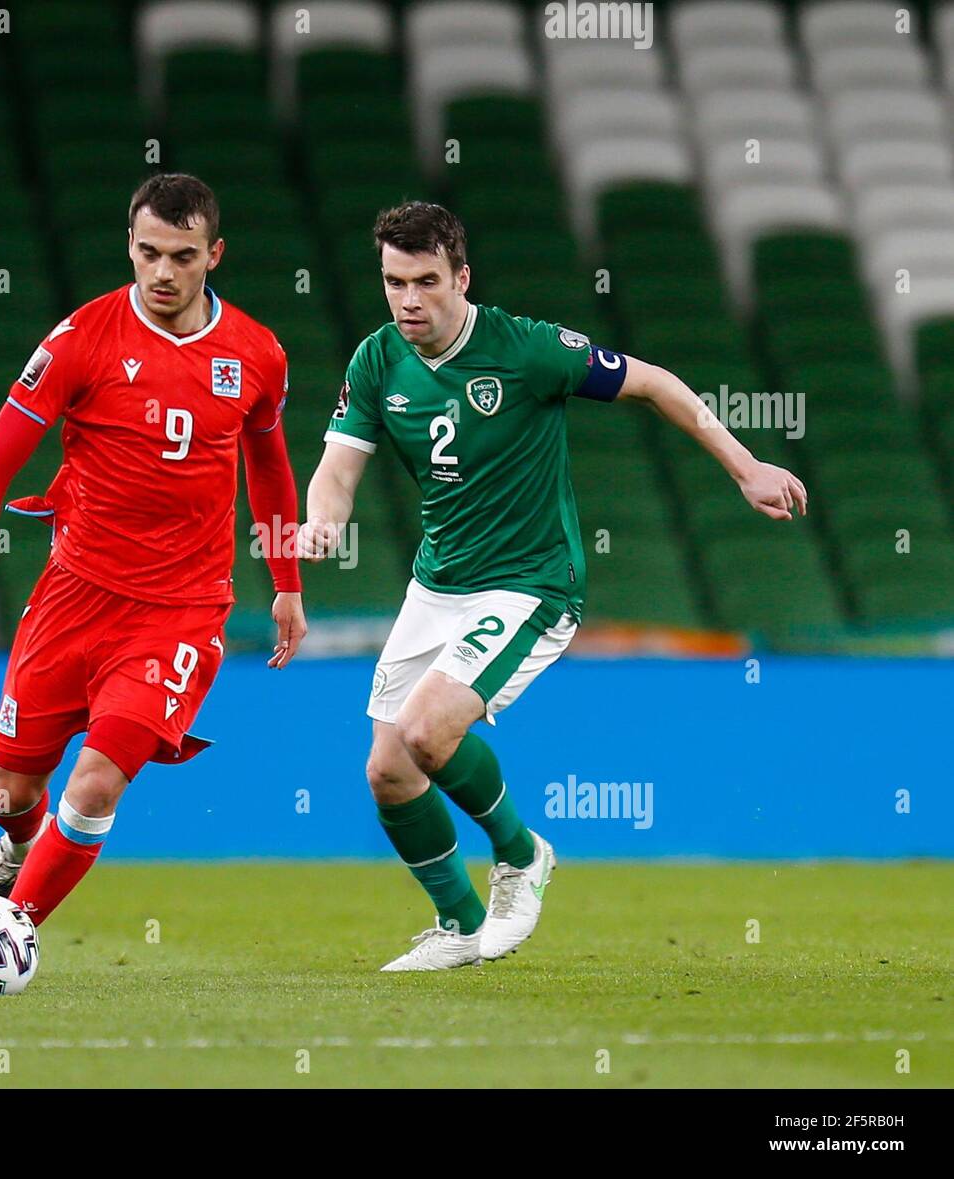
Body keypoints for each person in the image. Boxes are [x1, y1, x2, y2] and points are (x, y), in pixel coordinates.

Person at [300, 202, 807, 970]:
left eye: (426, 281)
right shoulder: (377, 360)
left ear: (461, 277)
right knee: (387, 769)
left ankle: (522, 854)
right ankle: (461, 925)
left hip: (530, 584)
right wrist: (323, 520)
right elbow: (339, 466)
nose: (409, 300)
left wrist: (747, 467)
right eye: (394, 281)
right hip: (437, 585)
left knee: (428, 733)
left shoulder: (526, 348)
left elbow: (655, 383)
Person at [0, 173, 306, 926]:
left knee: (97, 783)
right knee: (9, 793)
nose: (164, 272)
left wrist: (286, 580)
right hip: (75, 594)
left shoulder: (257, 354)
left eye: (184, 256)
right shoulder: (81, 340)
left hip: (180, 609)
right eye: (150, 252)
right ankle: (18, 848)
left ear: (214, 255)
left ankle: (11, 928)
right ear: (128, 246)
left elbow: (270, 466)